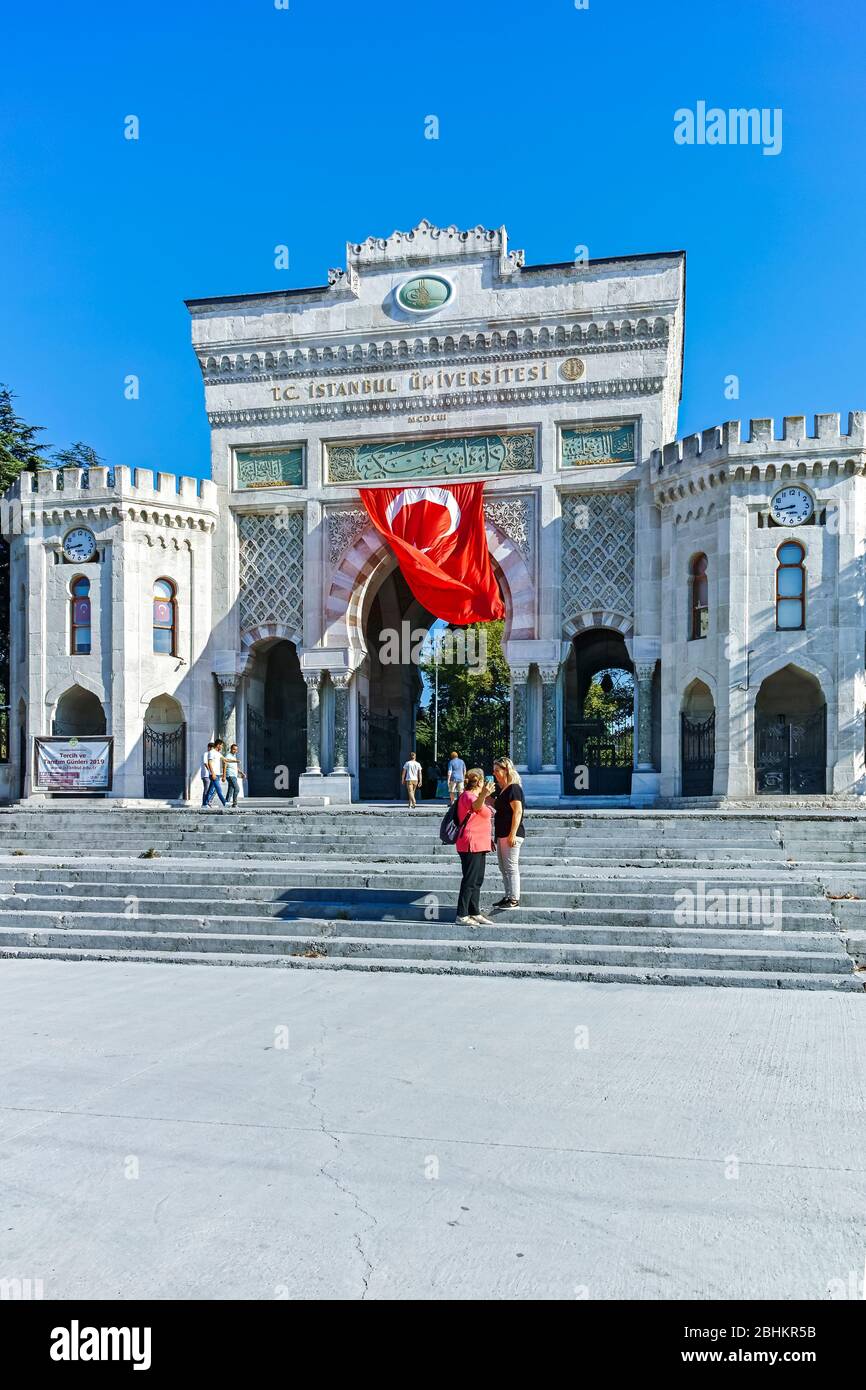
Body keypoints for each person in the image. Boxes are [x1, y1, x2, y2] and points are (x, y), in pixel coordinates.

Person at [454, 768, 496, 926]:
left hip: (481, 843)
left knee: (477, 880)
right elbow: (477, 807)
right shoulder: (468, 796)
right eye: (483, 779)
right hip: (470, 843)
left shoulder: (478, 796)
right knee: (469, 880)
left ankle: (474, 912)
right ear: (478, 781)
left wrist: (485, 795)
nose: (485, 782)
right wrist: (484, 794)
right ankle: (461, 915)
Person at [491, 756, 525, 909]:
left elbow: (517, 812)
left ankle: (514, 899)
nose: (495, 773)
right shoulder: (502, 789)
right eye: (494, 770)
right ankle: (508, 895)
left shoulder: (514, 788)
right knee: (503, 868)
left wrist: (512, 833)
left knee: (511, 867)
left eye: (497, 770)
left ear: (506, 771)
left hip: (512, 834)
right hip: (501, 833)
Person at [203, 738, 227, 808]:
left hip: (218, 774)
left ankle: (205, 804)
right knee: (219, 790)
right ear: (218, 745)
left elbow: (225, 759)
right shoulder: (211, 752)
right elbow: (209, 763)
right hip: (214, 774)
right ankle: (225, 803)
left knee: (210, 790)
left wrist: (236, 761)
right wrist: (212, 773)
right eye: (221, 745)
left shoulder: (218, 753)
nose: (222, 747)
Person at [223, 743, 245, 808]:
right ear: (231, 749)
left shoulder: (233, 757)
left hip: (234, 775)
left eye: (236, 750)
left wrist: (241, 773)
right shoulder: (228, 756)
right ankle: (234, 804)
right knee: (237, 788)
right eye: (234, 749)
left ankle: (226, 803)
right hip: (230, 775)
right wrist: (224, 776)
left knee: (230, 790)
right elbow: (224, 766)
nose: (235, 751)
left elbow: (235, 767)